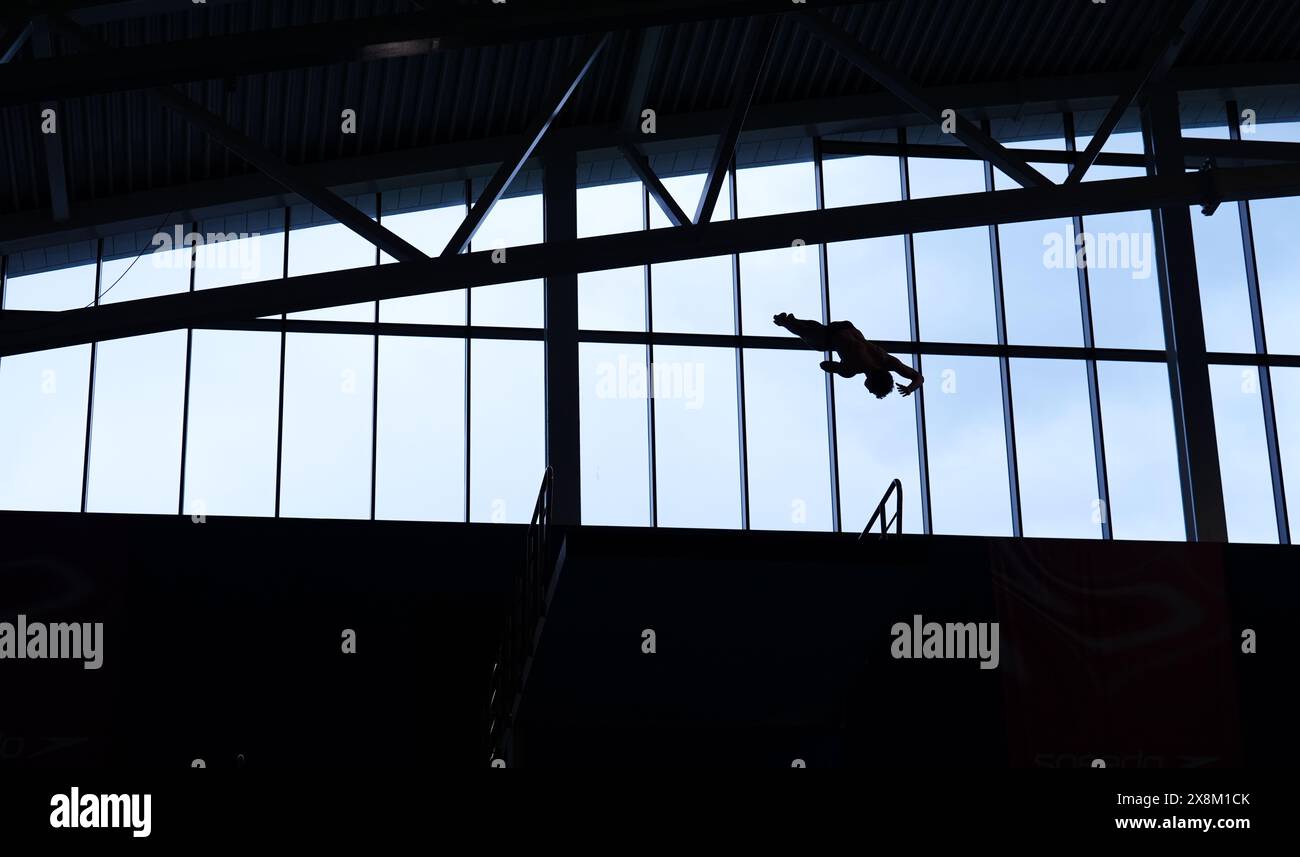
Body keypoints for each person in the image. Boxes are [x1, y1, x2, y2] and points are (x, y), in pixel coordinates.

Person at [772, 312, 924, 399]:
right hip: (833, 336)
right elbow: (824, 365)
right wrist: (839, 369)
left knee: (818, 332)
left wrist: (911, 388)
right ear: (872, 382)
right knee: (817, 342)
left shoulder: (887, 361)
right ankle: (785, 322)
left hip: (847, 327)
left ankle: (793, 321)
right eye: (872, 390)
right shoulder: (852, 369)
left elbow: (918, 378)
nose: (869, 391)